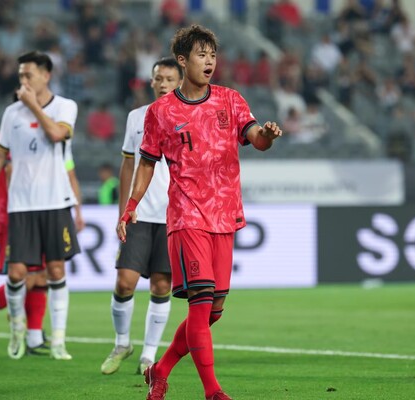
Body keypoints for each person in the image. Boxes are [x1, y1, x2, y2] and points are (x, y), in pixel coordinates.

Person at [117, 25, 282, 400]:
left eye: (212, 55)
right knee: (200, 300)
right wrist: (131, 206)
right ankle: (213, 391)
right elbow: (146, 163)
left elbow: (255, 138)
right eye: (201, 54)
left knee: (211, 312)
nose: (209, 61)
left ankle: (160, 369)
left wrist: (268, 136)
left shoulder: (230, 99)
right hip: (186, 216)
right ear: (183, 60)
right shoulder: (160, 112)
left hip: (224, 215)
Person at [0, 50, 80, 361]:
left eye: (28, 74)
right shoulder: (11, 113)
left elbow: (56, 134)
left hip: (55, 202)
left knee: (55, 270)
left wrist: (32, 106)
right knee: (17, 273)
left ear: (46, 75)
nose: (23, 80)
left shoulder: (65, 106)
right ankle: (17, 330)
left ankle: (58, 340)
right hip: (21, 206)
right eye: (20, 75)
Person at [100, 58, 182, 376]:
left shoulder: (189, 117)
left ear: (179, 82)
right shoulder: (136, 117)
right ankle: (122, 343)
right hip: (139, 214)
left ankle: (148, 355)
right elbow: (127, 165)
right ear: (151, 82)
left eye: (169, 79)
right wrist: (124, 210)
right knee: (125, 282)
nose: (163, 84)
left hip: (173, 217)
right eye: (158, 78)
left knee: (161, 285)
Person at [0, 142, 85, 355]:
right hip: (18, 217)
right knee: (26, 276)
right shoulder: (17, 139)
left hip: (34, 214)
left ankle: (34, 337)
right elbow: (10, 173)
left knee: (42, 274)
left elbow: (67, 172)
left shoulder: (48, 143)